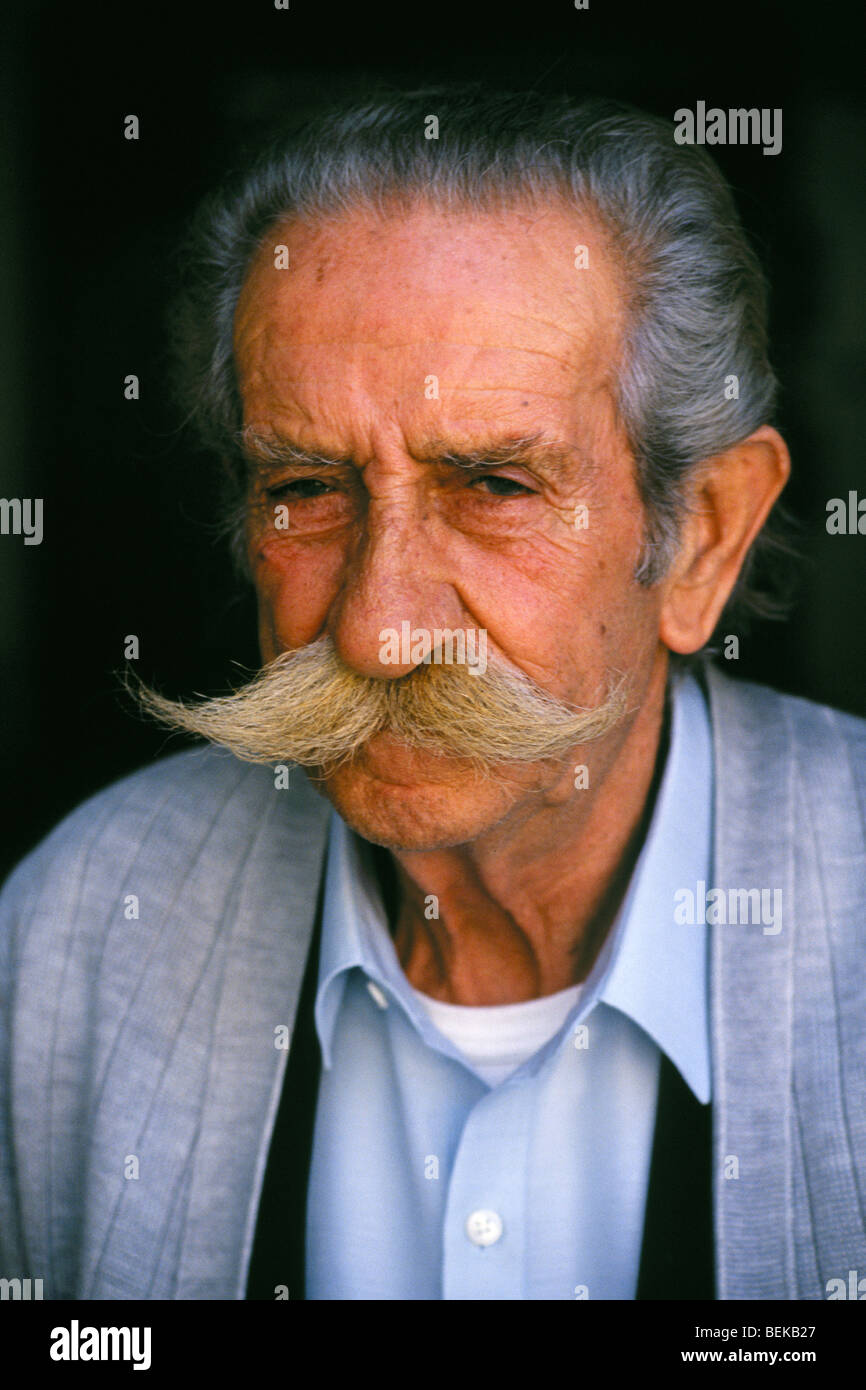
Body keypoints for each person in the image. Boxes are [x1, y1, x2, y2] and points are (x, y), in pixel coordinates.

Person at [1, 87, 864, 1302]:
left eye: (495, 486)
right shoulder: (79, 928)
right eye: (305, 484)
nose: (378, 628)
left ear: (701, 540)